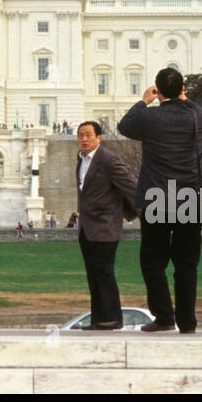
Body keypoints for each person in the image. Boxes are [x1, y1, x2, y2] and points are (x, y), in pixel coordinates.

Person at [119, 67, 202, 334]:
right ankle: (187, 322)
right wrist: (187, 100)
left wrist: (144, 101)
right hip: (189, 197)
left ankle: (164, 316)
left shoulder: (151, 118)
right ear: (183, 89)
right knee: (187, 264)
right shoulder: (197, 117)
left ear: (157, 89)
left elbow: (124, 126)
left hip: (157, 196)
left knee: (153, 261)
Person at [73, 120, 139, 330]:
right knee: (94, 275)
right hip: (87, 228)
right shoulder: (81, 159)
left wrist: (138, 212)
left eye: (88, 135)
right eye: (81, 135)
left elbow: (131, 186)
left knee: (104, 273)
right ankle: (99, 319)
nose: (84, 139)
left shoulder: (108, 159)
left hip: (105, 226)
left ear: (99, 138)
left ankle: (112, 318)